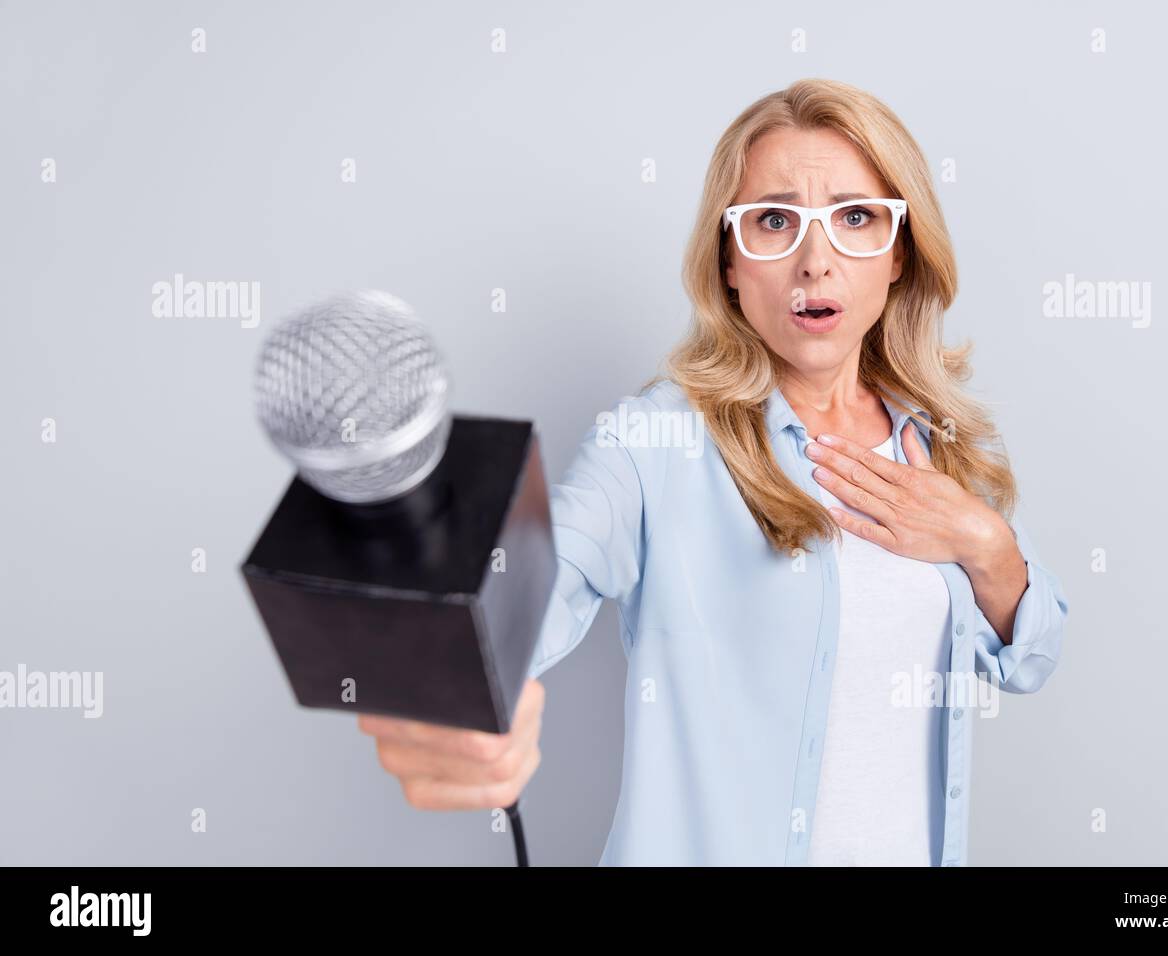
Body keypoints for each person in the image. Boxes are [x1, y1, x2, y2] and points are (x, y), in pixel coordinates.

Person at [357, 77, 1069, 866]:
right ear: (730, 259)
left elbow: (1032, 656)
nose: (815, 262)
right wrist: (447, 676)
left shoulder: (943, 442)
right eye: (773, 221)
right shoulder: (658, 439)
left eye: (855, 217)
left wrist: (989, 547)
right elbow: (533, 580)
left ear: (898, 252)